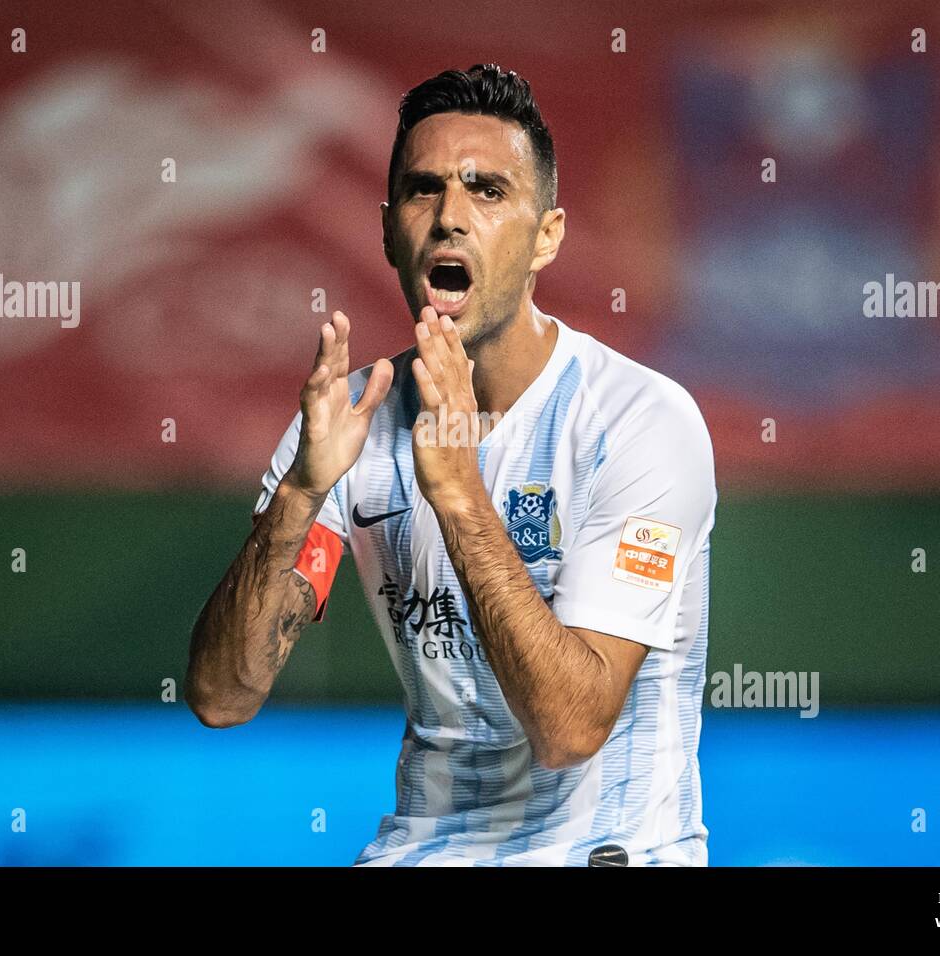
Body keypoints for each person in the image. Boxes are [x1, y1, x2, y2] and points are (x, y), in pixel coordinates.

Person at [185, 63, 716, 866]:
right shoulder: (347, 423)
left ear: (548, 236)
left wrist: (461, 495)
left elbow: (571, 730)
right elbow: (224, 697)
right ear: (389, 227)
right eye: (423, 190)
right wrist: (301, 492)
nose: (450, 218)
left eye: (488, 191)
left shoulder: (638, 421)